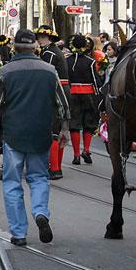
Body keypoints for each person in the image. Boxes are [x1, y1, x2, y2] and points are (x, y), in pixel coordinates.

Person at [0, 30, 61, 245]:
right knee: (38, 177)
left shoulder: (5, 71)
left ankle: (18, 233)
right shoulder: (49, 71)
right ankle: (40, 213)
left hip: (14, 134)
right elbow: (62, 103)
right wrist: (64, 128)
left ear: (14, 47)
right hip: (41, 132)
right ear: (35, 47)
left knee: (12, 182)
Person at [60, 34, 102, 172]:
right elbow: (95, 81)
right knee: (89, 123)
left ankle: (76, 154)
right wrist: (99, 95)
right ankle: (87, 150)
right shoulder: (90, 62)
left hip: (72, 94)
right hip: (88, 94)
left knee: (75, 124)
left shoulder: (67, 61)